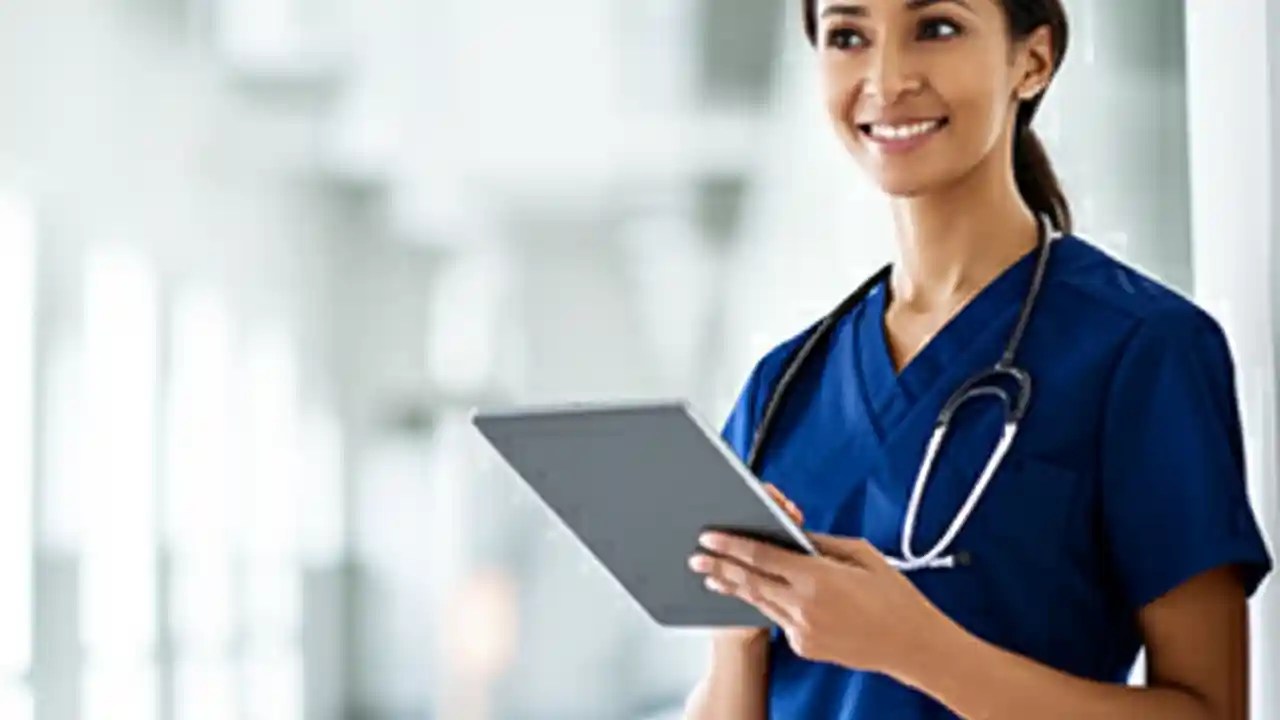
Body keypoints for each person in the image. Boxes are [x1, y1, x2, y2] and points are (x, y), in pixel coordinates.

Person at [682, 0, 1274, 718]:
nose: (886, 77)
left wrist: (916, 647)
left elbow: (1211, 711)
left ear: (1033, 59)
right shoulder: (782, 388)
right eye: (847, 36)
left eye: (935, 28)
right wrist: (735, 643)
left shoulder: (1140, 350)